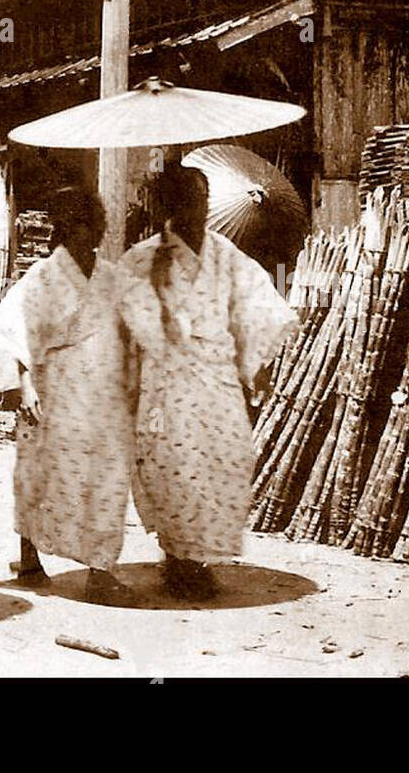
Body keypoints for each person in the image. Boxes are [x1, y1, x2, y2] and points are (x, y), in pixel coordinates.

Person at [120, 163, 298, 600]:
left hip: (215, 375)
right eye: (188, 202)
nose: (197, 210)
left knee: (227, 460)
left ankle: (199, 554)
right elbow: (123, 317)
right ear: (170, 206)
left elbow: (256, 304)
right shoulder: (143, 258)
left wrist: (258, 361)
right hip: (165, 379)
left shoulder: (225, 254)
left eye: (202, 201)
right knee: (173, 467)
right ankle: (181, 560)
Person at [0, 191, 139, 603]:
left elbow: (132, 332)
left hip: (104, 394)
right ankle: (29, 560)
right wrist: (24, 386)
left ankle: (101, 570)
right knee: (36, 475)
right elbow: (15, 332)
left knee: (108, 477)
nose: (87, 235)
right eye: (78, 226)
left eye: (92, 225)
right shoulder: (41, 278)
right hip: (53, 391)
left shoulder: (113, 278)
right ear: (63, 230)